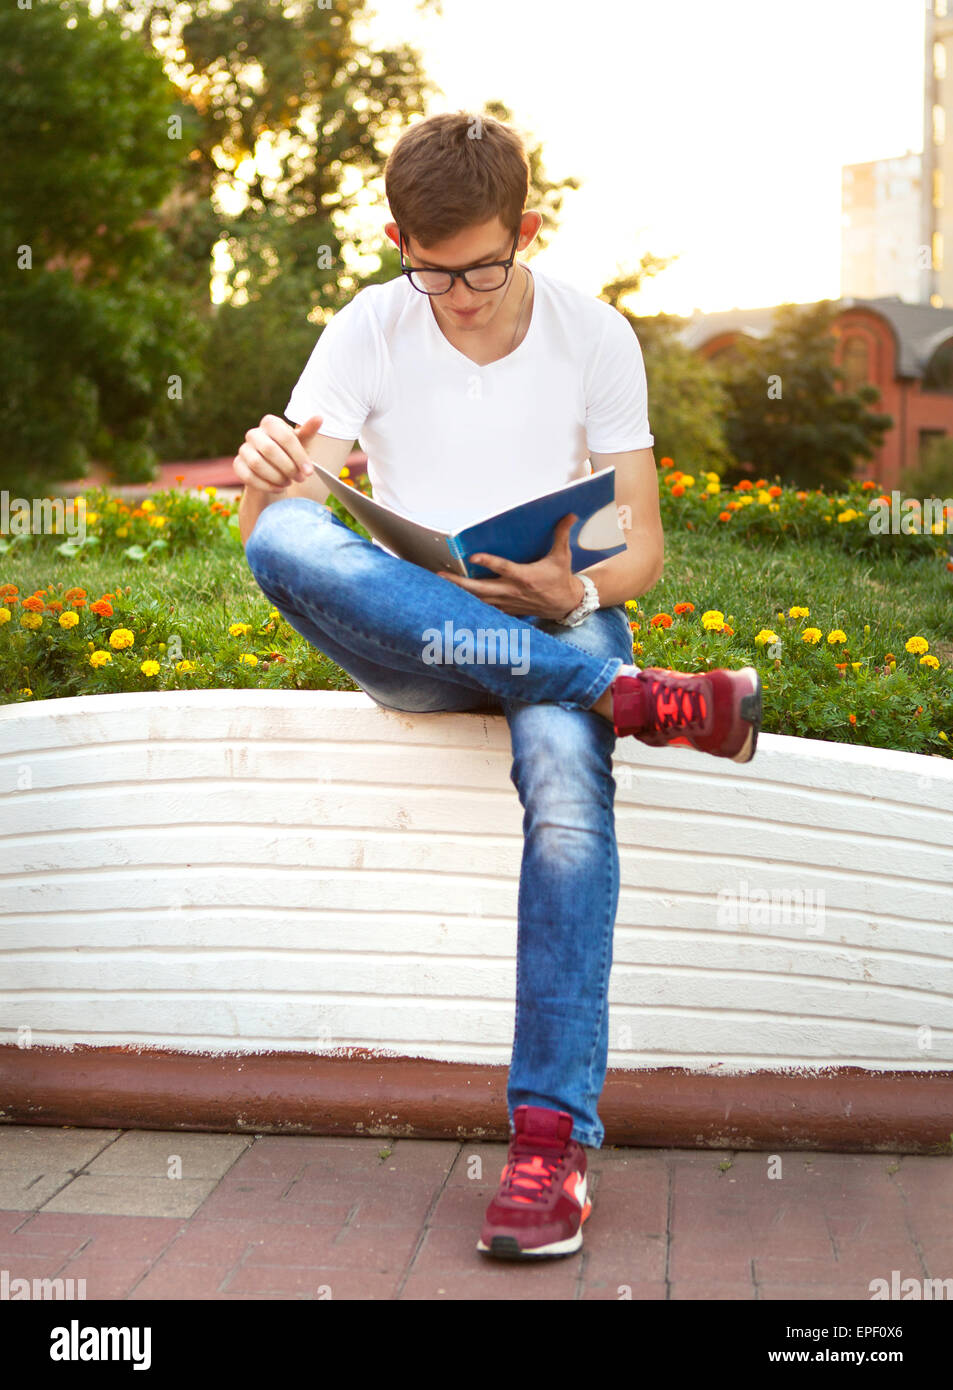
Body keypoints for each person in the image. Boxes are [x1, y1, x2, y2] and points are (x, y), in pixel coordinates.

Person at [234, 111, 761, 1262]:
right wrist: (266, 477)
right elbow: (282, 530)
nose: (460, 296)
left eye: (480, 267)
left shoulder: (594, 335)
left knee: (566, 781)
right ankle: (628, 695)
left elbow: (641, 552)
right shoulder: (371, 324)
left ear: (525, 229)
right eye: (432, 274)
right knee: (277, 540)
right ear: (395, 243)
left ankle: (547, 1150)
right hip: (423, 640)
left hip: (556, 614)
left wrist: (570, 593)